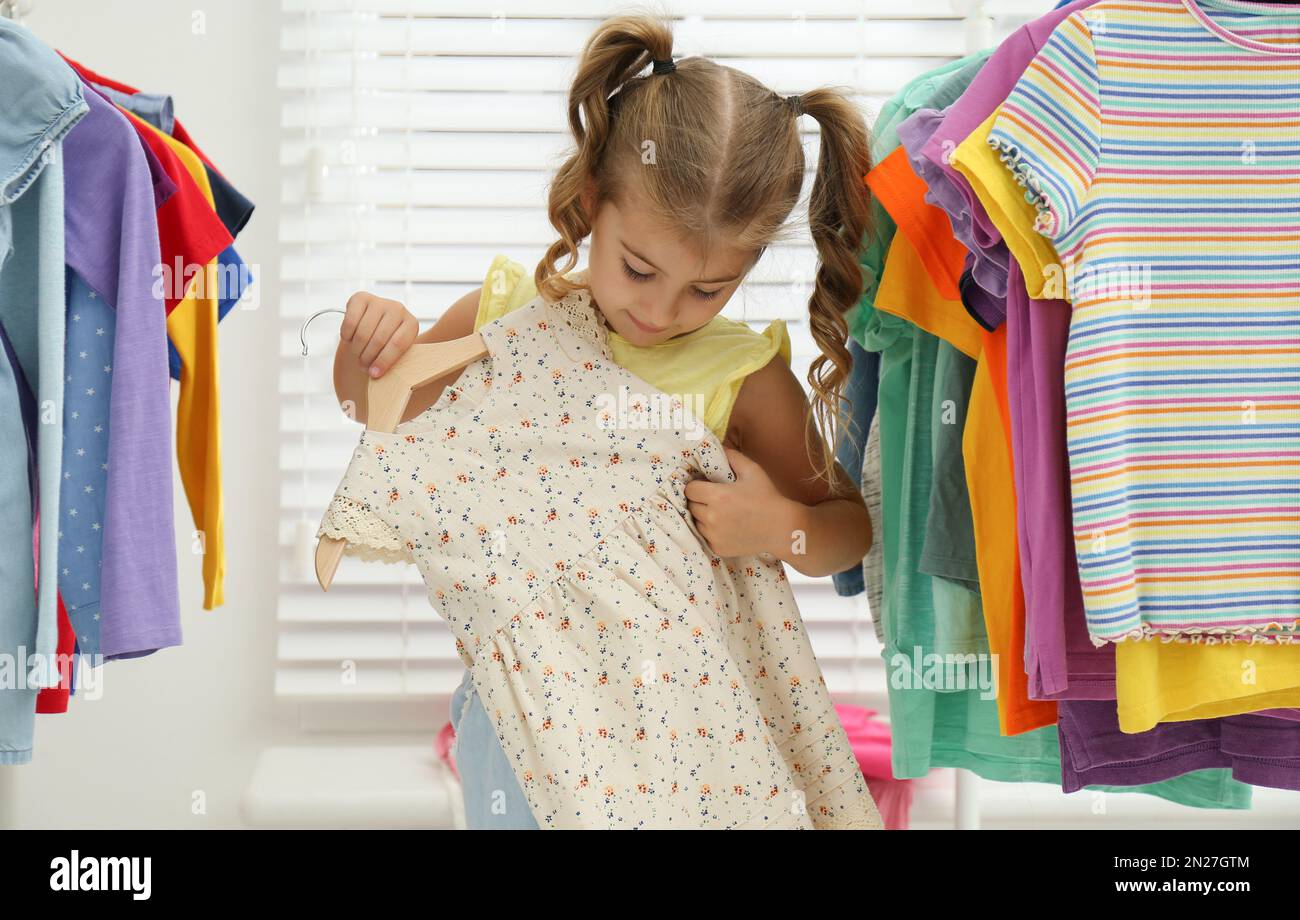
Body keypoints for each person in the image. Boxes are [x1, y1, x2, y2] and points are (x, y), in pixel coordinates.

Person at [331, 13, 875, 829]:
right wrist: (368, 345)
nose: (661, 310)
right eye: (639, 268)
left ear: (748, 268)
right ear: (592, 203)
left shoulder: (744, 374)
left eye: (708, 289)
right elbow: (372, 409)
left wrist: (777, 524)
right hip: (521, 722)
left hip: (685, 735)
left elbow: (846, 530)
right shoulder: (508, 318)